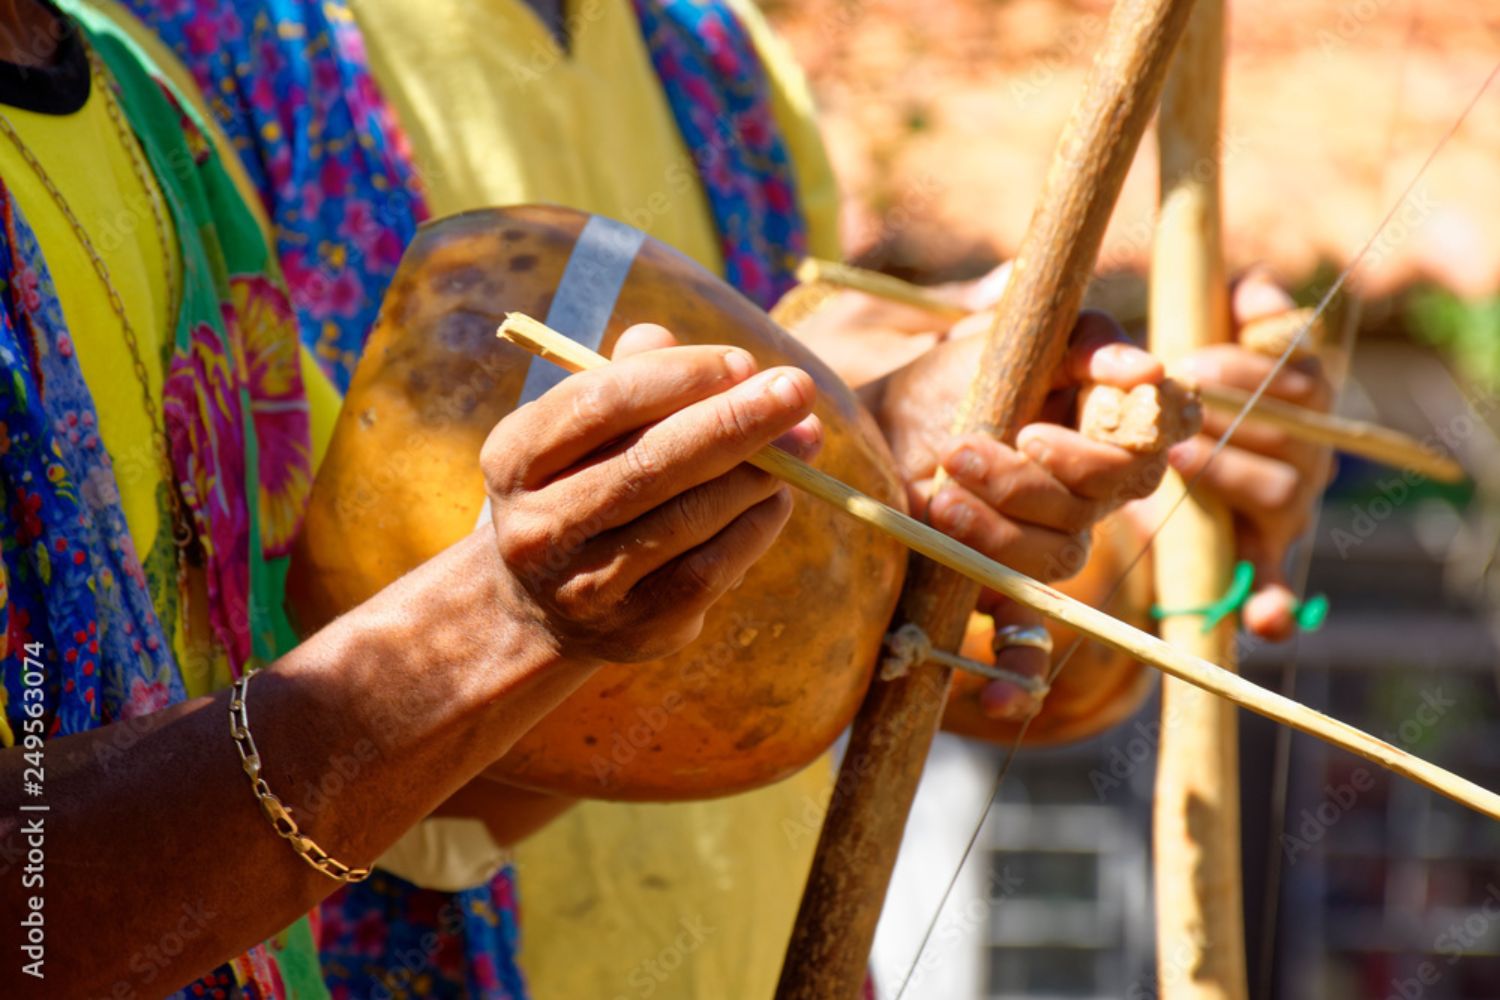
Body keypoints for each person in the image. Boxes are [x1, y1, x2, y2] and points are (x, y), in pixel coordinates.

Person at [101, 0, 1334, 996]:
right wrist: (858, 458)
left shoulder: (718, 66)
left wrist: (1139, 514)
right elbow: (248, 747)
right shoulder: (173, 62)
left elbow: (865, 636)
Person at [0, 1, 836, 996]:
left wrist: (636, 575)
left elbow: (411, 799)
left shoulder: (143, 105)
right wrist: (502, 612)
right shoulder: (211, 47)